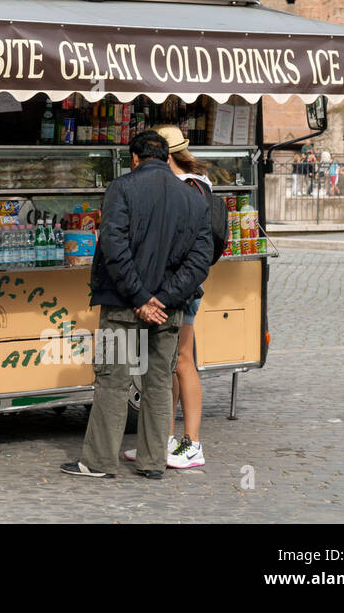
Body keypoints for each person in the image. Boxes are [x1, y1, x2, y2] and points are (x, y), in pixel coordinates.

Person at [61, 130, 213, 480]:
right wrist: (164, 298)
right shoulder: (192, 198)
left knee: (114, 382)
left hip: (123, 305)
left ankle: (98, 462)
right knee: (159, 383)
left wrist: (140, 297)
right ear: (166, 157)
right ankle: (153, 462)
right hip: (169, 309)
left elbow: (113, 245)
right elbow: (200, 259)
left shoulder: (122, 188)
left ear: (134, 158)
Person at [123, 126, 215, 470]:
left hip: (182, 287)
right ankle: (165, 437)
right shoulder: (189, 184)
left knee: (182, 360)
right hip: (176, 285)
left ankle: (192, 443)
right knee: (167, 363)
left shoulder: (191, 187)